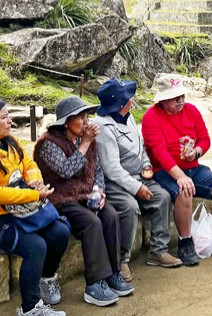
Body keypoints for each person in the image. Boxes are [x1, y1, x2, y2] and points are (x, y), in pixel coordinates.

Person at [0, 98, 68, 316]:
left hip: (17, 211)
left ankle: (46, 278)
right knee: (35, 246)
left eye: (9, 115)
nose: (10, 121)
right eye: (4, 117)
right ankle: (30, 308)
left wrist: (34, 179)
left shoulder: (10, 142)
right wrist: (34, 194)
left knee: (60, 232)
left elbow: (28, 164)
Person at [34, 96, 134, 307]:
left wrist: (99, 191)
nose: (86, 122)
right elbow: (66, 170)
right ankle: (94, 284)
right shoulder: (48, 143)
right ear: (66, 122)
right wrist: (86, 142)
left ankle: (113, 273)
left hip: (86, 195)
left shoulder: (86, 140)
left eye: (86, 116)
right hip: (61, 198)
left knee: (110, 215)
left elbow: (97, 171)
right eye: (80, 118)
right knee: (91, 222)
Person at [143, 74, 212, 265]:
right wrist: (179, 176)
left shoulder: (191, 111)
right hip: (165, 170)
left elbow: (205, 139)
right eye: (175, 97)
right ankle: (185, 241)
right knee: (184, 190)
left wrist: (196, 152)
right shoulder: (151, 118)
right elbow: (159, 152)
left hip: (192, 166)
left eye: (182, 95)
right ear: (163, 99)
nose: (181, 100)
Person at [94, 79, 182, 281]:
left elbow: (141, 146)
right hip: (116, 183)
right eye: (128, 97)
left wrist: (146, 165)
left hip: (139, 176)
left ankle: (158, 251)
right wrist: (137, 187)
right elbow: (111, 169)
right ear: (121, 104)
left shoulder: (128, 116)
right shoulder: (104, 127)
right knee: (129, 207)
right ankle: (121, 260)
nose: (131, 99)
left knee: (162, 196)